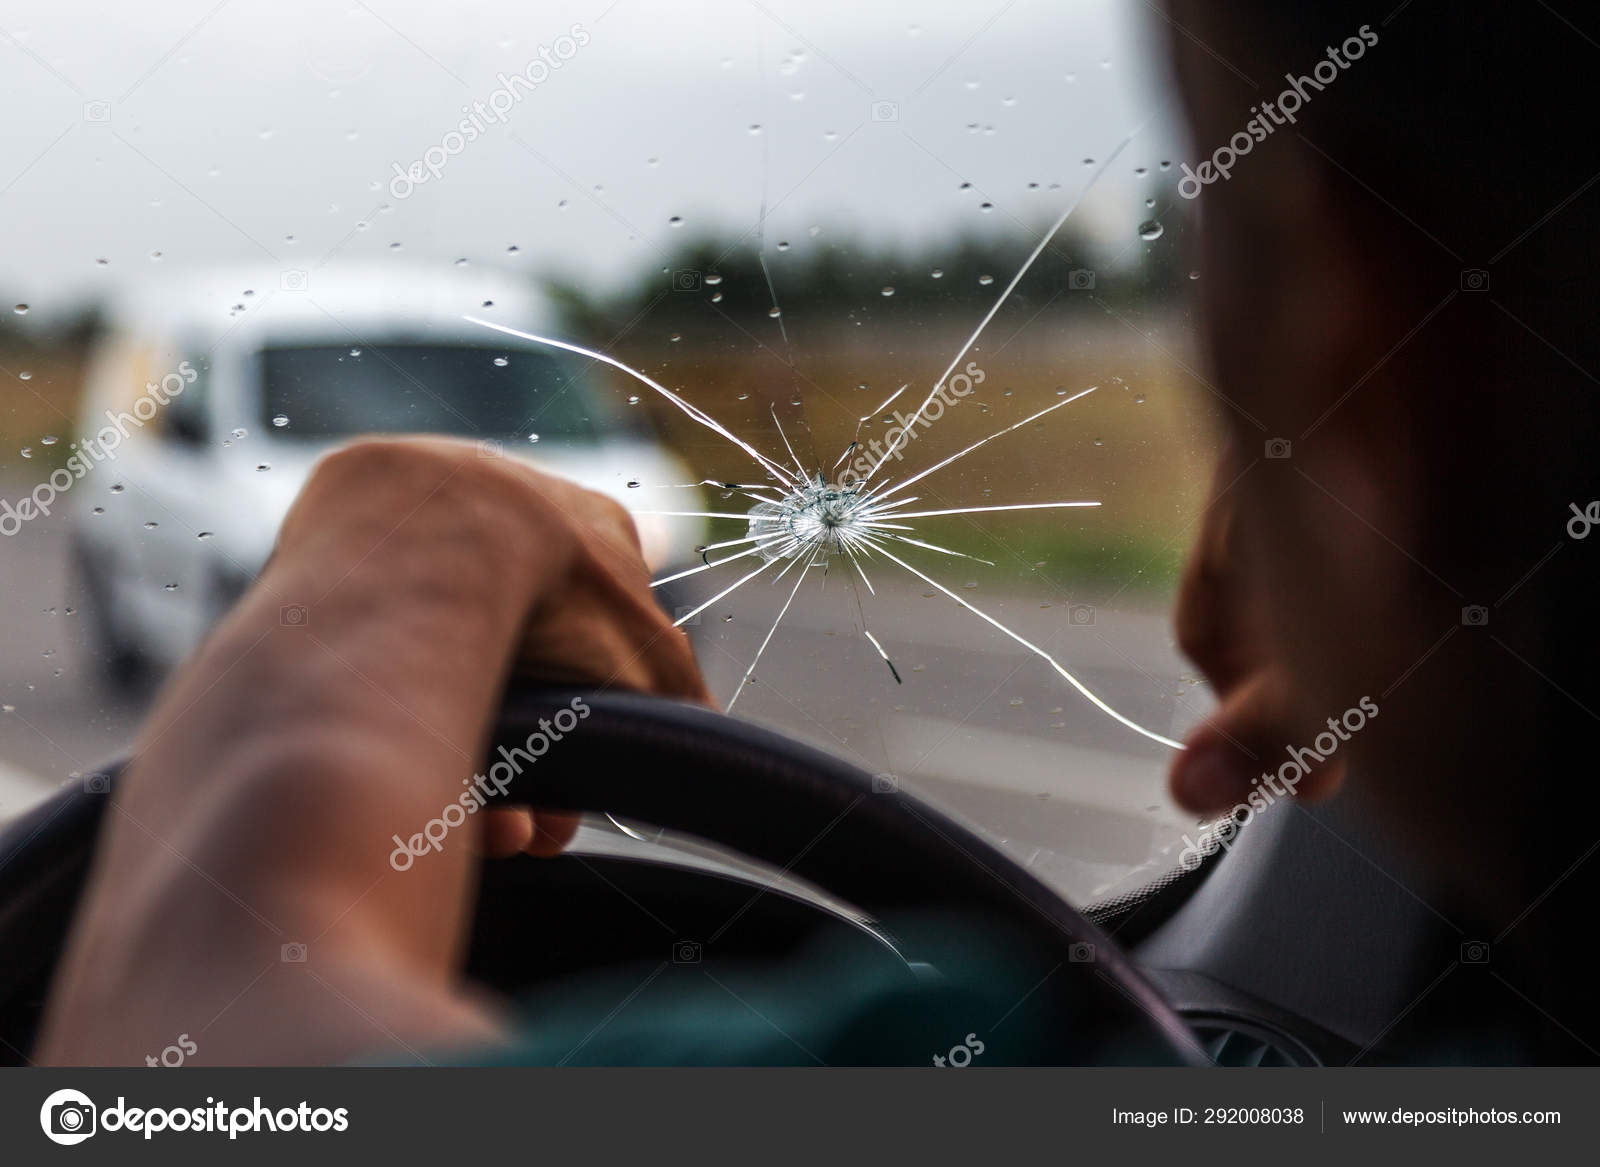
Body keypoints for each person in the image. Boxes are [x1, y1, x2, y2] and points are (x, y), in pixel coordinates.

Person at [38, 0, 1600, 1063]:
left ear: (1369, 367)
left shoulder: (936, 1062)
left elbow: (185, 1063)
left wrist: (399, 557)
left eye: (1213, 235)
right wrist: (1422, 637)